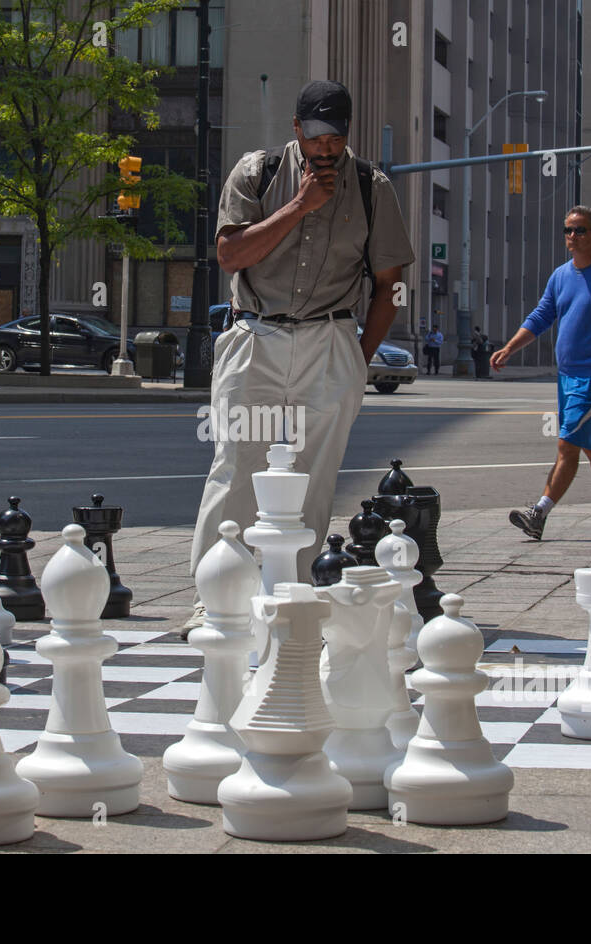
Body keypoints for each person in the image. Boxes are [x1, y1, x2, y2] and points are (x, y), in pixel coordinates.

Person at [183, 79, 414, 633]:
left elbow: (389, 285)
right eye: (315, 137)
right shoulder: (256, 172)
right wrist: (300, 204)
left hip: (329, 342)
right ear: (296, 130)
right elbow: (232, 254)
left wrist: (358, 357)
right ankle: (215, 598)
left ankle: (293, 594)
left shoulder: (371, 186)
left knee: (314, 475)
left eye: (335, 138)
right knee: (236, 466)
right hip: (255, 335)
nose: (325, 149)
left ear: (347, 134)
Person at [491, 205, 591, 541]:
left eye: (580, 230)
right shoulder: (561, 276)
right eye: (568, 230)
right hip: (567, 377)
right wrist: (509, 348)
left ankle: (539, 513)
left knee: (567, 444)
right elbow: (540, 317)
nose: (573, 236)